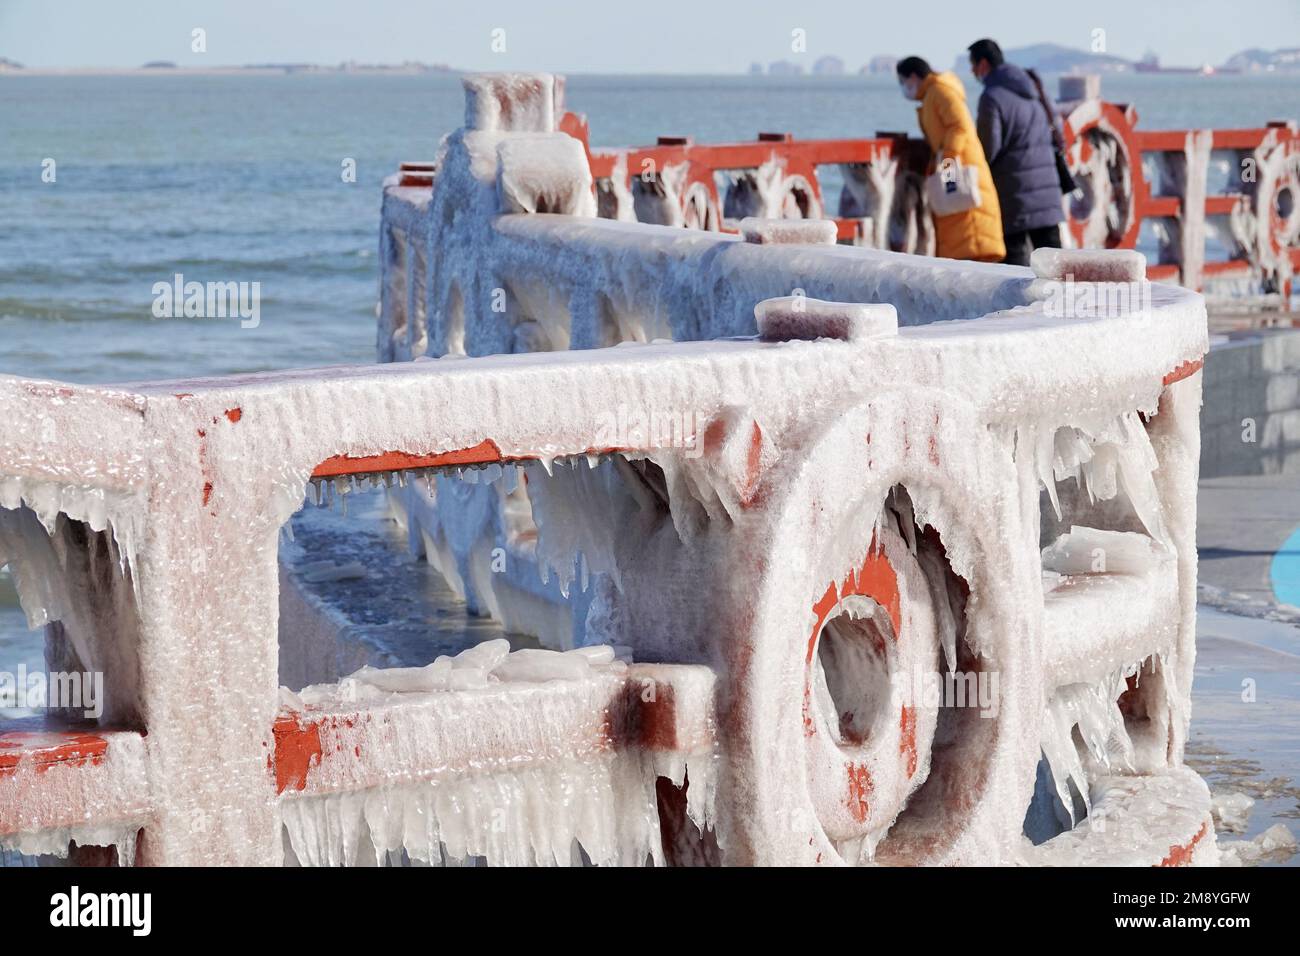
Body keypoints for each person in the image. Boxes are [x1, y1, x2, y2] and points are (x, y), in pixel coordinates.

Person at [896, 56, 1004, 263]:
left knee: (969, 226)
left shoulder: (939, 91)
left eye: (902, 81)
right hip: (959, 164)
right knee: (960, 225)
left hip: (960, 167)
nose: (903, 87)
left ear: (912, 76)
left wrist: (947, 162)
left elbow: (960, 125)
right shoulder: (932, 93)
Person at [967, 38, 1065, 267]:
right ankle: (1062, 303)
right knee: (1054, 267)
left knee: (1016, 269)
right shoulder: (1032, 86)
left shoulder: (992, 97)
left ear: (983, 64)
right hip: (1048, 190)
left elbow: (988, 149)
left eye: (973, 66)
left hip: (1014, 194)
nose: (972, 72)